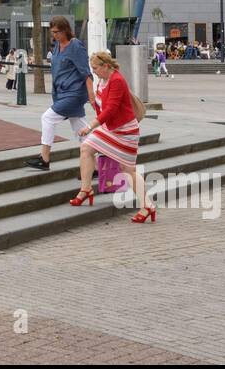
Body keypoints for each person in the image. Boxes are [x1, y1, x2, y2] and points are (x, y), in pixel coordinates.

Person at [76, 51, 152, 222]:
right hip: (111, 129)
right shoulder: (103, 80)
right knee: (86, 148)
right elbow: (103, 108)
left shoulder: (117, 80)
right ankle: (86, 189)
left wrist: (90, 126)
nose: (93, 71)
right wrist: (94, 101)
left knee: (128, 170)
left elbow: (111, 110)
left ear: (105, 66)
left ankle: (147, 206)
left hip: (126, 131)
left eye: (95, 68)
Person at [23, 16, 90, 173]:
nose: (54, 35)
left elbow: (85, 72)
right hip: (62, 93)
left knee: (47, 118)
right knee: (81, 130)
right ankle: (96, 162)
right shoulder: (57, 46)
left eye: (57, 32)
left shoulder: (75, 46)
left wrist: (92, 95)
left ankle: (44, 158)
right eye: (52, 32)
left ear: (65, 29)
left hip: (73, 94)